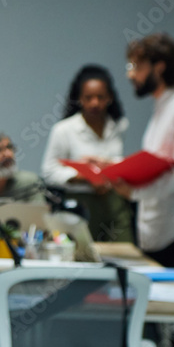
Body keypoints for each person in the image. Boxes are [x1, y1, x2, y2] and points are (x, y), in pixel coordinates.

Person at [112, 33, 174, 271]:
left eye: (136, 67)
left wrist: (136, 192)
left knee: (173, 293)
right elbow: (155, 163)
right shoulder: (162, 105)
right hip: (155, 231)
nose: (130, 75)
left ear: (159, 67)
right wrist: (112, 166)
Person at [41, 64, 134, 243]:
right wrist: (84, 176)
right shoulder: (64, 129)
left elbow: (120, 163)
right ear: (79, 99)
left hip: (113, 199)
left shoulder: (119, 126)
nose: (95, 103)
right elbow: (49, 171)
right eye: (88, 98)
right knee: (82, 252)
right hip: (80, 202)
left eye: (101, 97)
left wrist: (108, 168)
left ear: (110, 98)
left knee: (124, 249)